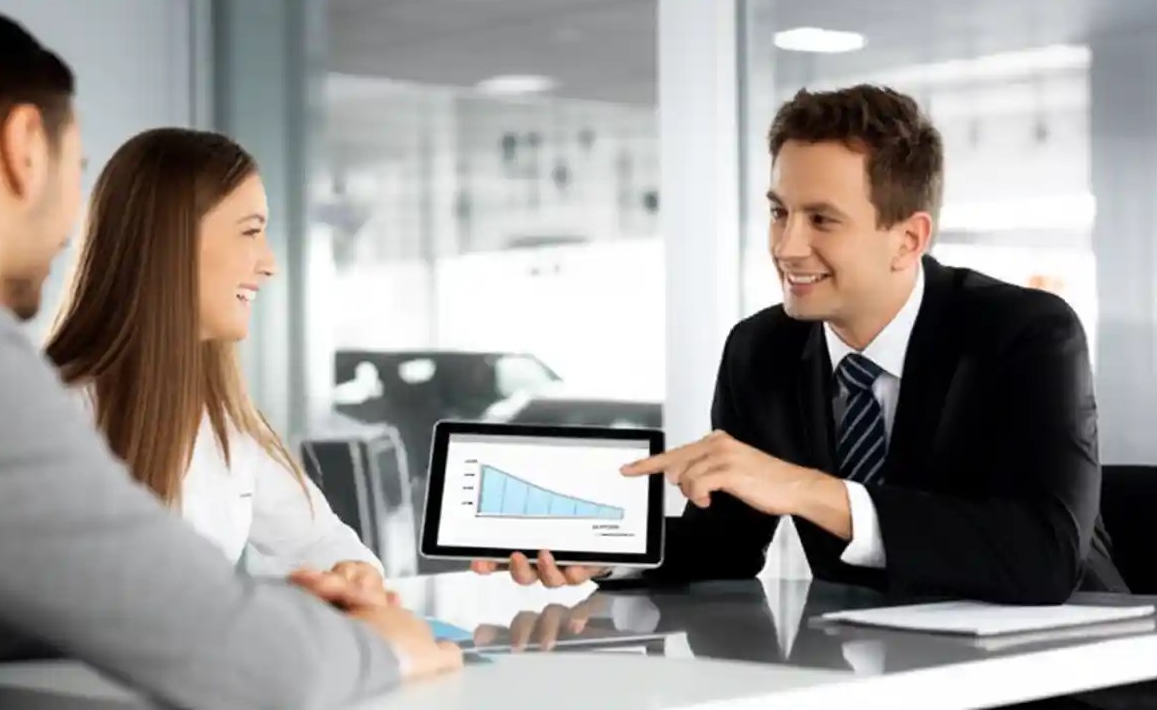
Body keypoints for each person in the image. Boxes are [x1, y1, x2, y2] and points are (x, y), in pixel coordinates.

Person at [0, 1, 458, 710]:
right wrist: (387, 645)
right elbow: (241, 661)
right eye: (77, 169)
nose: (73, 224)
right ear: (25, 146)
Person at [477, 84, 1127, 604]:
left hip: (1061, 672)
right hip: (869, 663)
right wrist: (609, 550)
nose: (787, 246)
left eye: (822, 219)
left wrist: (808, 490)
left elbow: (1043, 560)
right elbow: (725, 547)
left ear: (908, 237)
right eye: (779, 211)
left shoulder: (1026, 332)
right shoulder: (761, 349)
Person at [46, 128, 384, 595]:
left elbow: (320, 540)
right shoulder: (55, 415)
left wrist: (350, 574)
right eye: (251, 231)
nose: (269, 264)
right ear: (172, 241)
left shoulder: (228, 423)